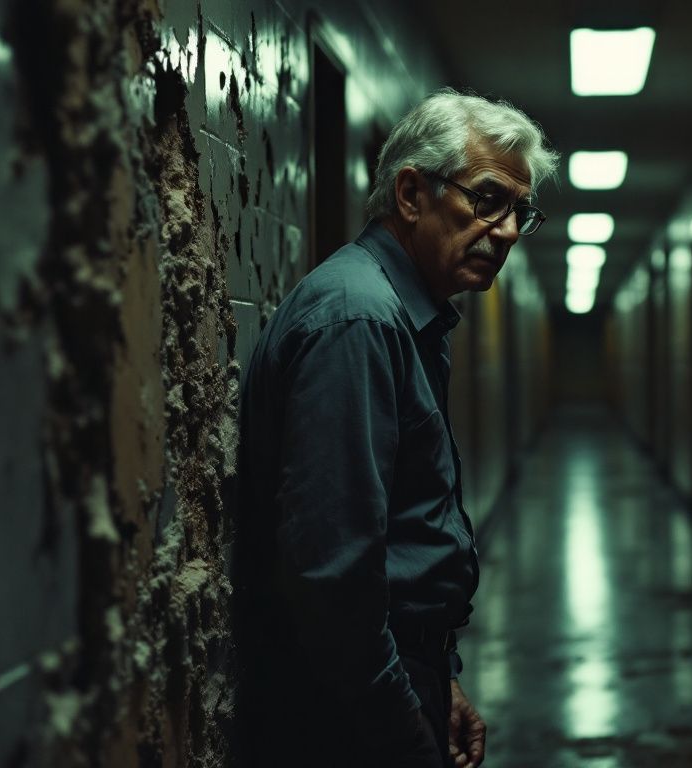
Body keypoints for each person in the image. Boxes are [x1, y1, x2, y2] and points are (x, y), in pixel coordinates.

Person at [232, 88, 558, 767]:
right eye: (487, 199)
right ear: (411, 194)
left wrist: (441, 684)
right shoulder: (360, 322)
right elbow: (334, 581)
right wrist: (404, 732)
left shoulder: (405, 317)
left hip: (391, 681)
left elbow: (400, 543)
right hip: (340, 717)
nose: (504, 231)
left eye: (519, 213)